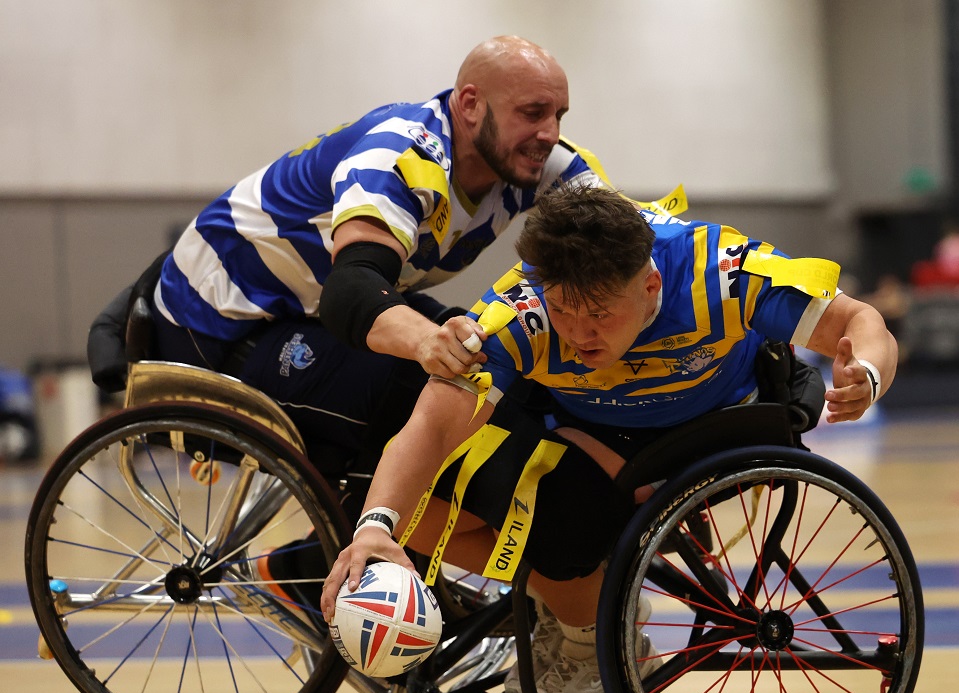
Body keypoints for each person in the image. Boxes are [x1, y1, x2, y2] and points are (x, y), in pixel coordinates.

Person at [320, 185, 898, 693]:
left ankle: (589, 635)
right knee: (412, 509)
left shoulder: (719, 272)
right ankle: (572, 604)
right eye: (564, 311)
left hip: (710, 430)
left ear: (650, 286)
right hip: (587, 428)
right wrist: (375, 530)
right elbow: (431, 426)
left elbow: (858, 321)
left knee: (557, 531)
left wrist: (866, 373)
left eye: (599, 314)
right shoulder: (519, 312)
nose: (578, 333)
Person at [93, 35, 604, 494]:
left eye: (560, 114)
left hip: (306, 302)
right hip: (215, 321)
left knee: (495, 359)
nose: (549, 133)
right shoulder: (401, 154)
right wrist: (428, 342)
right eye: (534, 112)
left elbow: (629, 237)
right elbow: (353, 292)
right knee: (418, 388)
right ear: (470, 105)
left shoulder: (536, 160)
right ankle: (303, 568)